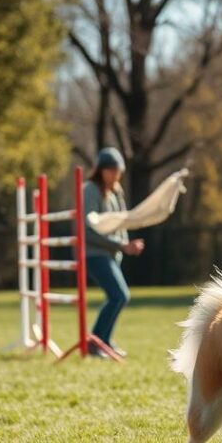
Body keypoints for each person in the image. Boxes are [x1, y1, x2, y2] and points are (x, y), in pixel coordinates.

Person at [82, 147, 144, 357]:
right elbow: (87, 230)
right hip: (93, 254)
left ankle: (104, 341)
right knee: (120, 295)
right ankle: (95, 342)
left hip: (111, 254)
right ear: (101, 170)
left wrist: (126, 244)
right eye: (112, 170)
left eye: (119, 171)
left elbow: (121, 220)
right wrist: (121, 246)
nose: (116, 175)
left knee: (115, 297)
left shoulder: (117, 191)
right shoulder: (90, 190)